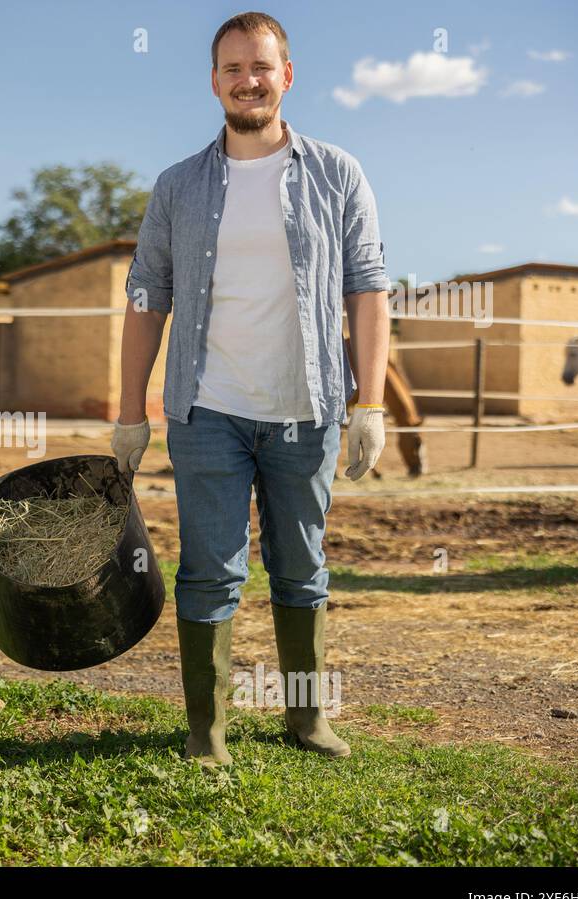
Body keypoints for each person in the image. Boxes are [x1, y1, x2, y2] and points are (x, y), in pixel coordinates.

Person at [112, 11, 391, 767]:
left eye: (261, 66)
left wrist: (370, 403)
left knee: (302, 566)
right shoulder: (178, 185)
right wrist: (131, 410)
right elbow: (147, 297)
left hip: (307, 411)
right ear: (214, 82)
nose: (248, 80)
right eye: (232, 68)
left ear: (287, 75)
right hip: (208, 412)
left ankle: (307, 722)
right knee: (210, 571)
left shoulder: (338, 172)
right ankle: (208, 734)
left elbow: (368, 287)